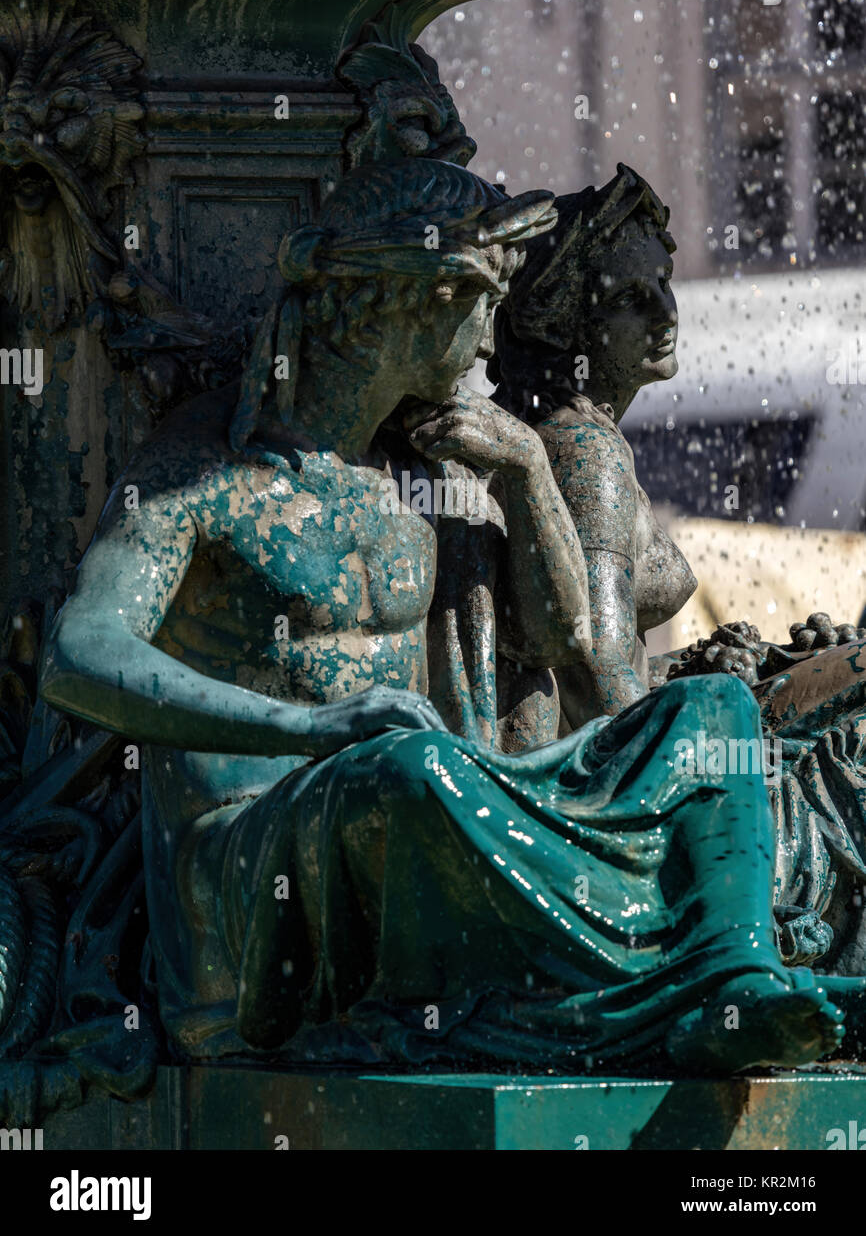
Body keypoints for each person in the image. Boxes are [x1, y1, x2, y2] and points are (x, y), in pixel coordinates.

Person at [39, 157, 849, 1073]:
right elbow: (78, 650)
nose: (493, 343)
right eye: (484, 307)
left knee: (712, 716)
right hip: (249, 863)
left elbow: (567, 645)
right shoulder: (209, 469)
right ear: (412, 302)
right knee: (412, 773)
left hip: (430, 800)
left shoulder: (435, 472)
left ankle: (732, 976)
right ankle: (646, 991)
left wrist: (526, 473)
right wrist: (307, 727)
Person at [493, 161, 866, 974]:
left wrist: (724, 669)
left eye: (663, 284)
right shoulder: (585, 450)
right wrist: (716, 720)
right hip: (618, 799)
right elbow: (592, 664)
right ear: (567, 323)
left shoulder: (575, 436)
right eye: (630, 299)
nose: (664, 312)